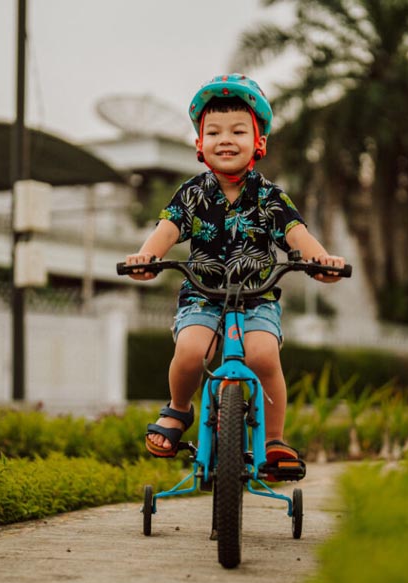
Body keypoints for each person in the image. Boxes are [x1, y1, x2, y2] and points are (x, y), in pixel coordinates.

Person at [124, 74, 345, 473]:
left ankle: (274, 439)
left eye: (238, 131)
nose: (225, 139)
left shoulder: (270, 197)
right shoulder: (191, 193)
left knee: (263, 356)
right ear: (199, 144)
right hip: (202, 296)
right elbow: (167, 230)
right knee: (191, 350)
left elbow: (297, 233)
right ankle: (177, 409)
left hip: (257, 297)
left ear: (258, 142)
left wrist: (321, 261)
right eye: (214, 132)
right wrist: (146, 258)